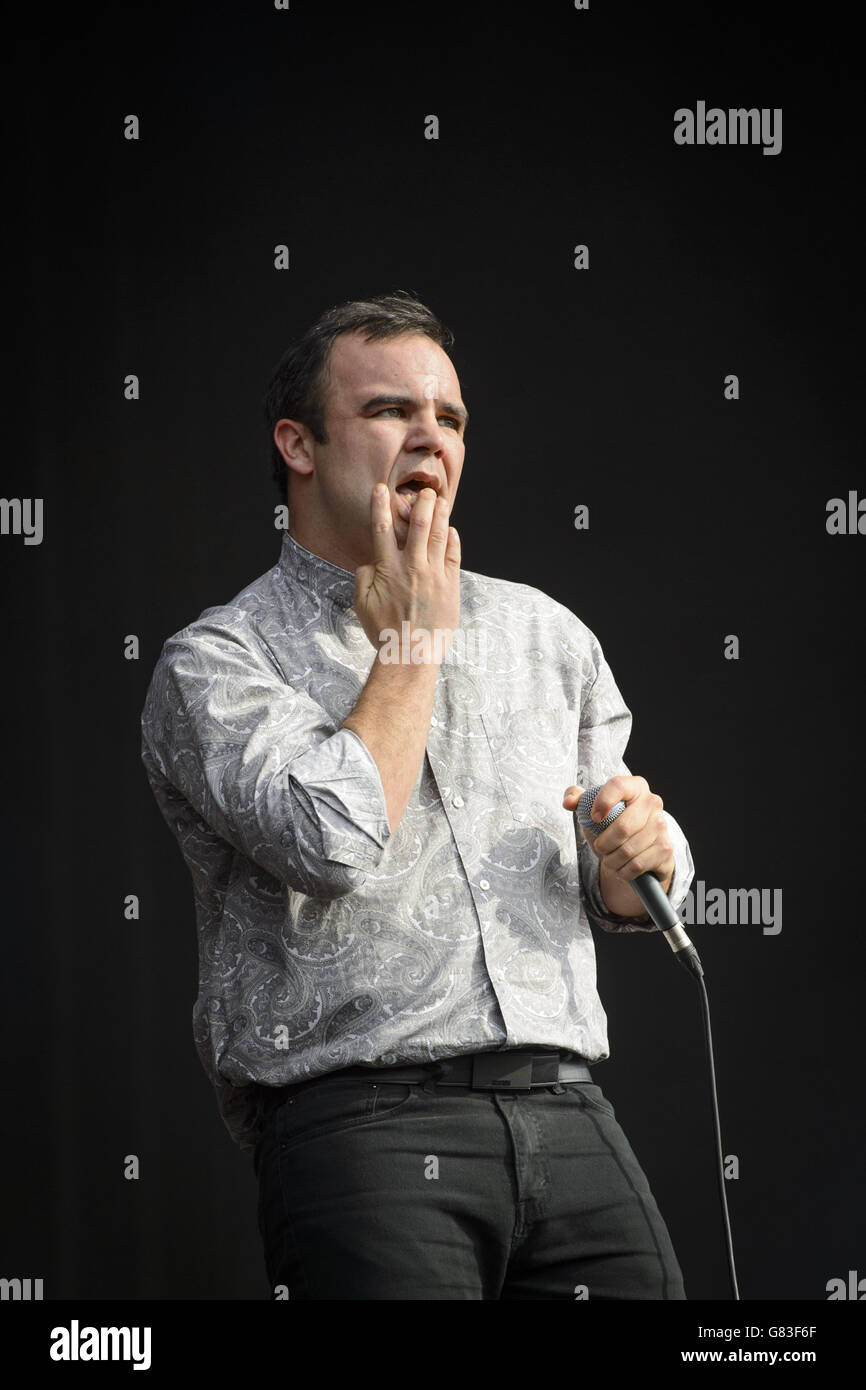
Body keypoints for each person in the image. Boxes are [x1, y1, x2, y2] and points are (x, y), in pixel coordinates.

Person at [140, 291, 695, 1300]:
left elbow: (612, 872)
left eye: (449, 419)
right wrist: (413, 643)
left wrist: (641, 862)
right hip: (365, 1132)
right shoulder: (215, 662)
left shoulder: (544, 634)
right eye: (392, 411)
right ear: (297, 445)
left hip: (568, 1113)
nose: (428, 438)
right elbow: (331, 841)